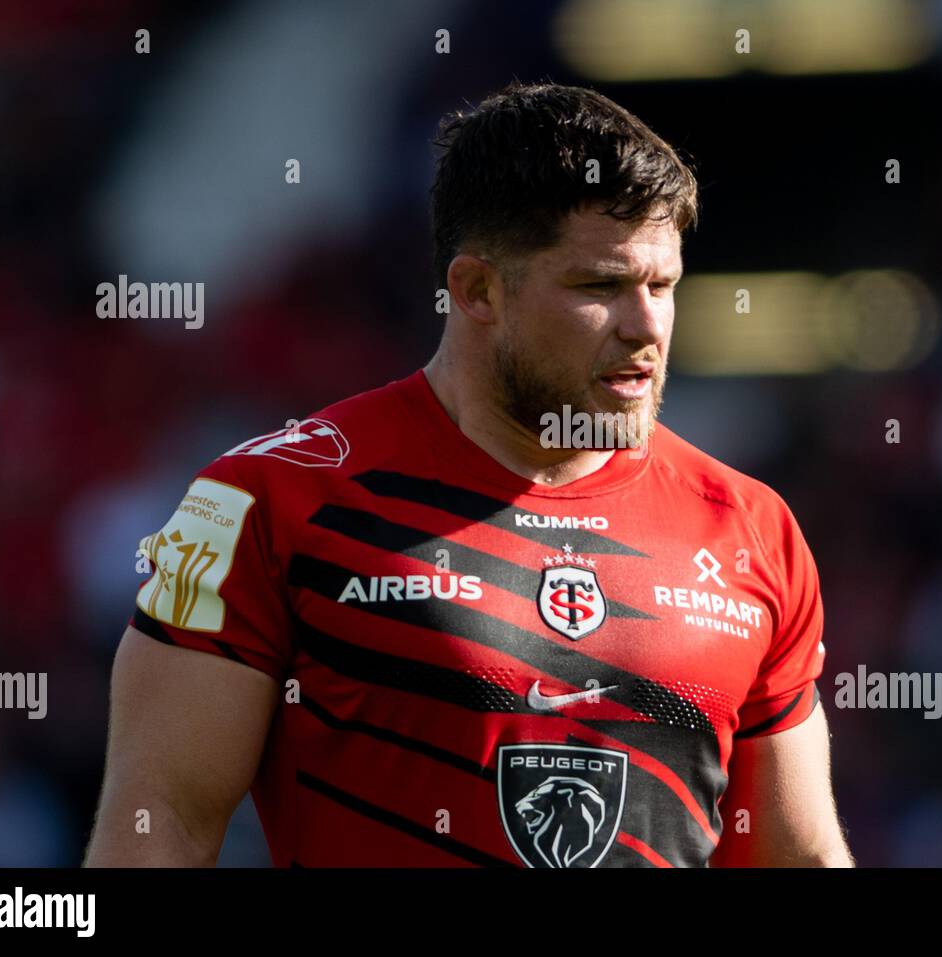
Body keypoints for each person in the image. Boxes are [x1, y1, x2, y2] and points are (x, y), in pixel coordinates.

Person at [84, 80, 853, 868]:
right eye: (601, 286)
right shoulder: (266, 501)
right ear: (476, 290)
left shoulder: (751, 529)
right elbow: (159, 830)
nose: (646, 324)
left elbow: (798, 856)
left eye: (662, 286)